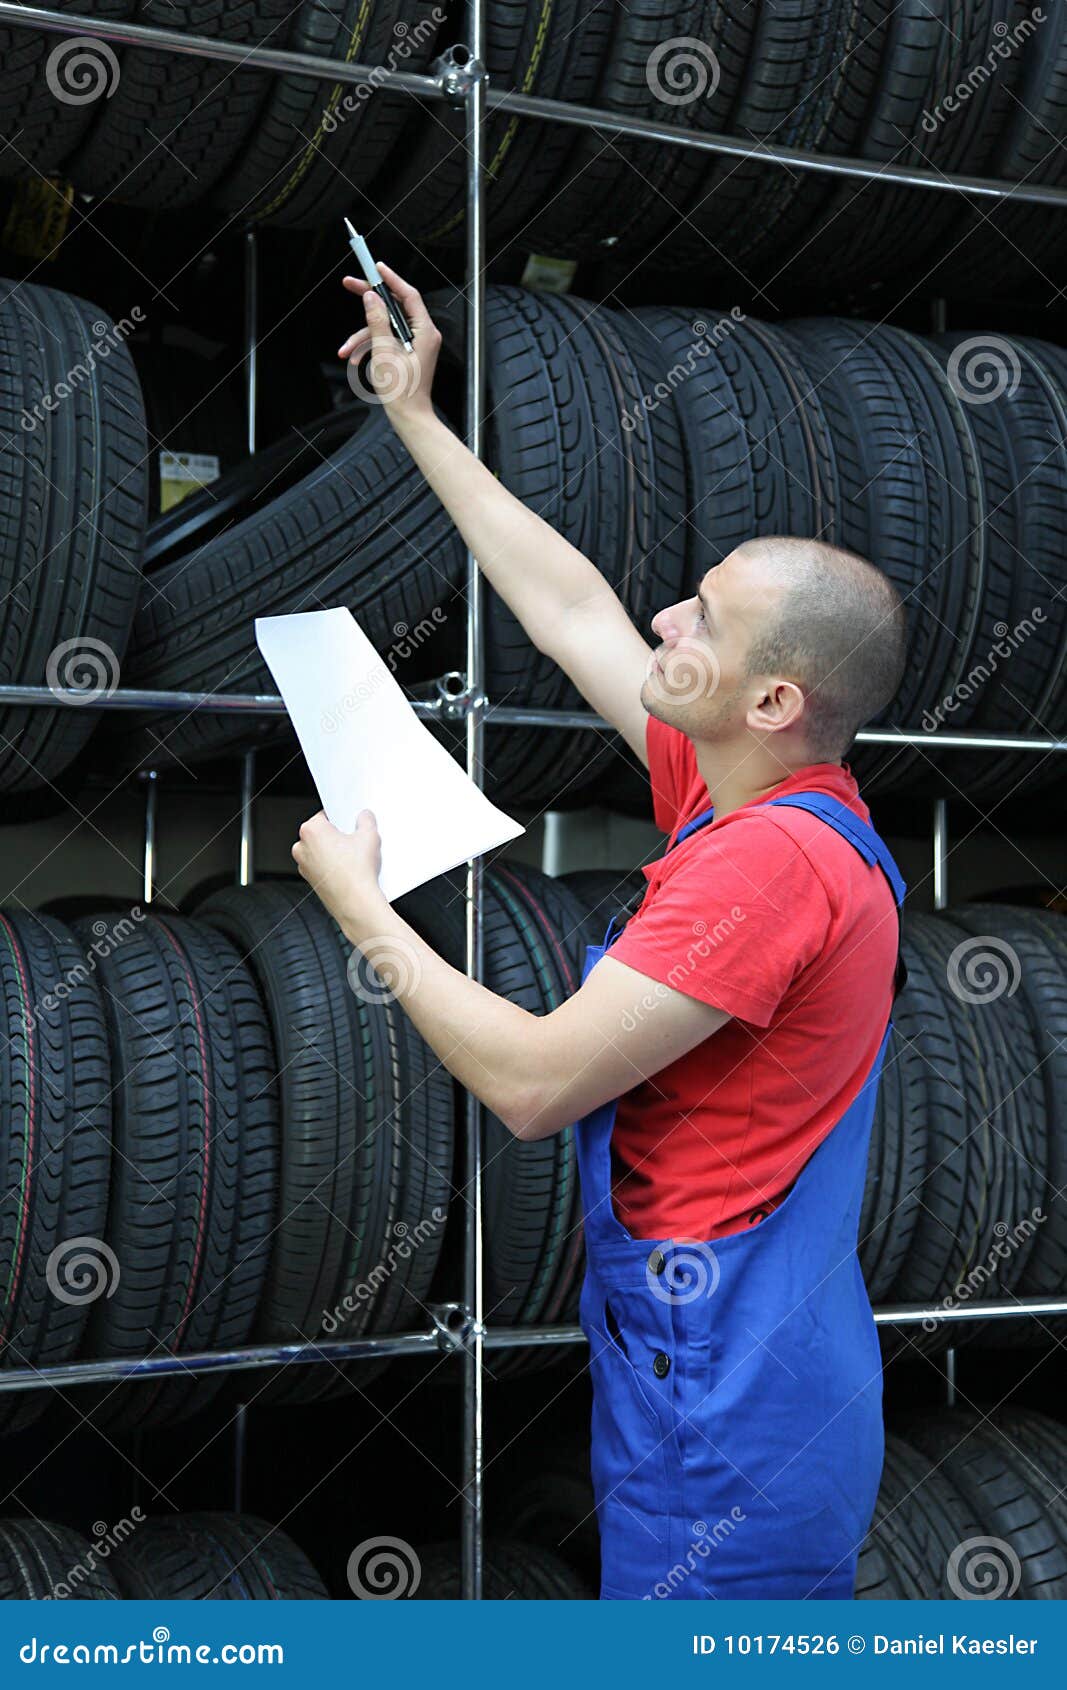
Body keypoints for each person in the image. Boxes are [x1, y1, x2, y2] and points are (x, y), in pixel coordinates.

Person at [292, 265, 909, 1601]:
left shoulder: (766, 868)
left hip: (729, 1421)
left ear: (773, 695)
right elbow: (569, 604)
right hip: (725, 1362)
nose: (666, 623)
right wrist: (414, 410)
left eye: (702, 621)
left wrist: (359, 907)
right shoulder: (758, 783)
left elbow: (530, 1082)